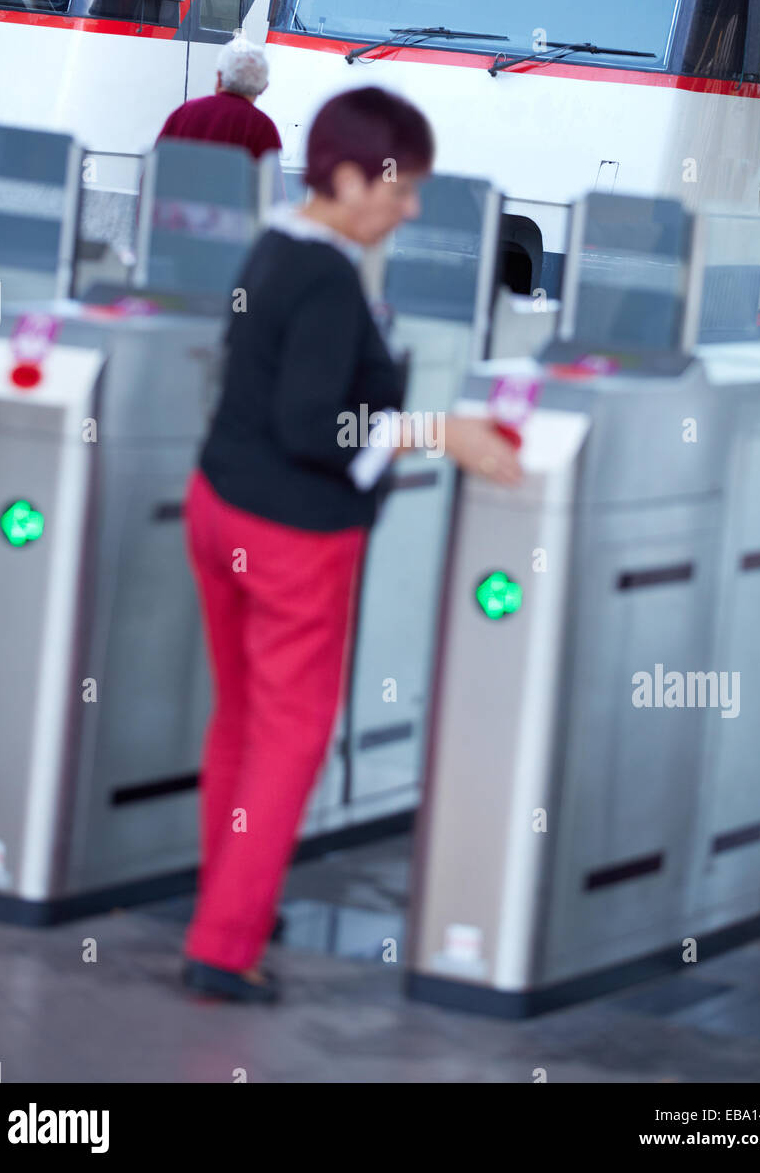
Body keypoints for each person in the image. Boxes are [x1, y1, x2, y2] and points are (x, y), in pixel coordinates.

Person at [181, 87, 523, 1004]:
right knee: (291, 736)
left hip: (219, 507)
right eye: (400, 191)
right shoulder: (330, 277)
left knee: (242, 721)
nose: (409, 211)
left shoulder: (278, 243)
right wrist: (437, 433)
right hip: (292, 534)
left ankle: (231, 898)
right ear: (343, 178)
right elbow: (314, 426)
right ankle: (225, 941)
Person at [156, 36, 281, 161]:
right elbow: (270, 179)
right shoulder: (264, 128)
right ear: (264, 88)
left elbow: (152, 170)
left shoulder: (183, 113)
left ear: (219, 78)